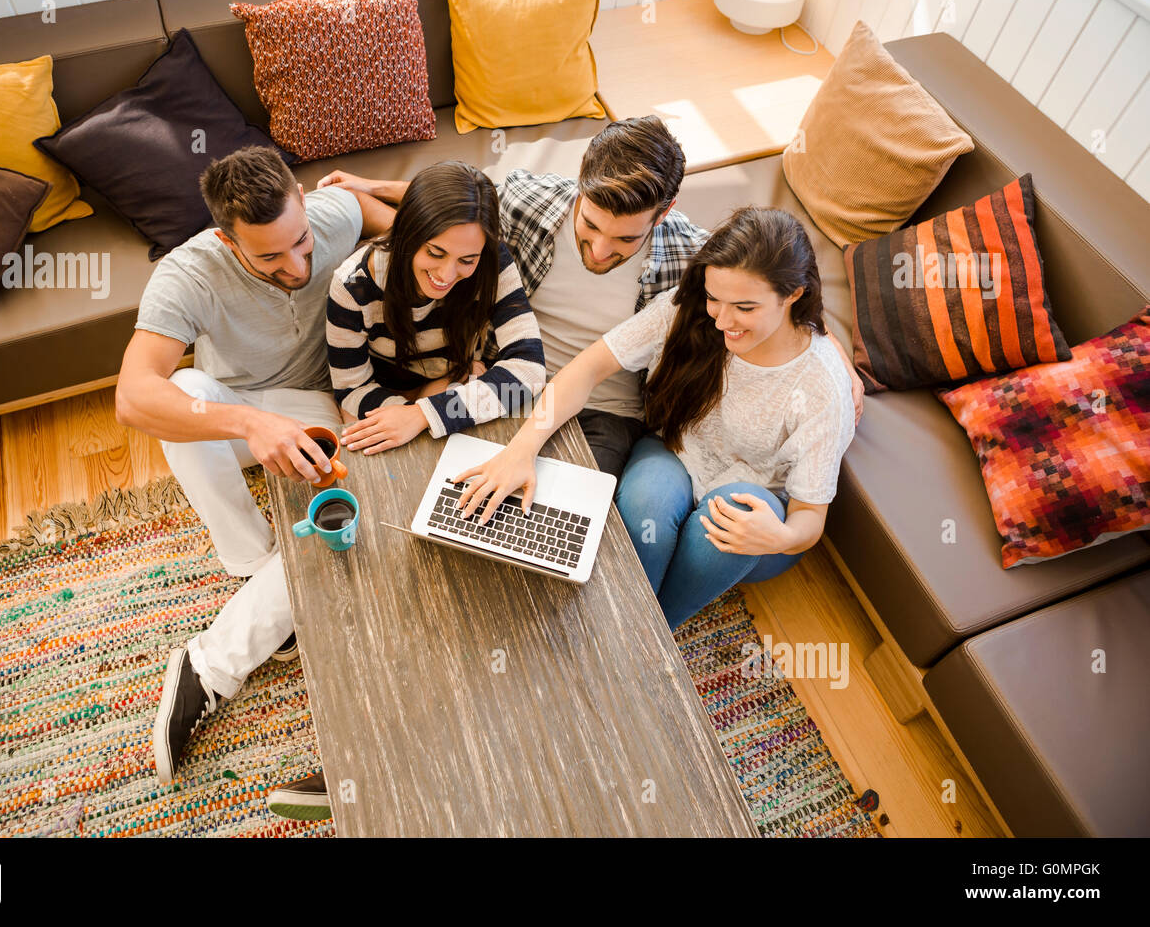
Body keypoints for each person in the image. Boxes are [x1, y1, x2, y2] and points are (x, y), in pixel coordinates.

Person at [316, 118, 864, 477]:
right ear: (579, 187)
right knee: (447, 487)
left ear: (665, 210)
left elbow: (774, 283)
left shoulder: (692, 256)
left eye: (625, 237)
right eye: (592, 225)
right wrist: (368, 187)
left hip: (607, 410)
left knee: (560, 519)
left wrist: (832, 354)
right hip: (503, 377)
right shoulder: (530, 202)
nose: (601, 250)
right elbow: (458, 200)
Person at [114, 145, 393, 787]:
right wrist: (248, 422)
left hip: (327, 403)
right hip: (238, 404)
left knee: (349, 519)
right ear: (226, 239)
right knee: (182, 397)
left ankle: (207, 665)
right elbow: (133, 396)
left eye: (301, 243)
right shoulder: (188, 273)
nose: (297, 265)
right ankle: (251, 563)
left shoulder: (330, 211)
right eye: (270, 256)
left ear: (302, 203)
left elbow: (422, 227)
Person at [450, 208, 856, 631]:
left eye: (745, 307)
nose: (721, 320)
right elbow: (586, 370)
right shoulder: (686, 310)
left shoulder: (822, 386)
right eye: (714, 298)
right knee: (648, 507)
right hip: (676, 454)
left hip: (758, 519)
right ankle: (619, 627)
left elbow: (810, 516)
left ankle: (642, 634)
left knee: (727, 516)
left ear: (793, 295)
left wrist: (782, 537)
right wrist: (521, 449)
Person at [329, 160, 545, 454]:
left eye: (466, 260)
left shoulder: (492, 261)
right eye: (435, 252)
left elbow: (529, 369)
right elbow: (351, 388)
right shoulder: (354, 285)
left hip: (450, 387)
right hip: (385, 397)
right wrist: (413, 409)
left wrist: (423, 414)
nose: (445, 275)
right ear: (408, 234)